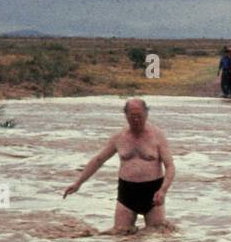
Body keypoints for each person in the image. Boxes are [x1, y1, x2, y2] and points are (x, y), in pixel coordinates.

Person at [62, 97, 175, 231]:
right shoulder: (119, 137)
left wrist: (163, 190)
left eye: (140, 116)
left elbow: (170, 166)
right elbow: (98, 160)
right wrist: (78, 183)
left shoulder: (158, 135)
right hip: (127, 192)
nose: (136, 120)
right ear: (126, 115)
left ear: (146, 114)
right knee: (120, 237)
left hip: (153, 192)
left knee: (156, 237)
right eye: (132, 116)